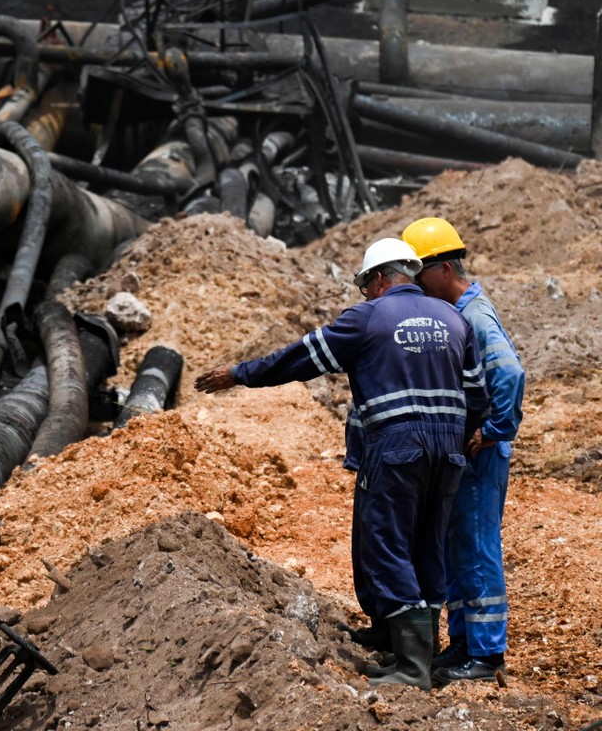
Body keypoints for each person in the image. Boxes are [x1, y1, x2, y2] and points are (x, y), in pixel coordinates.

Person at [195, 237, 487, 690]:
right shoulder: (454, 319)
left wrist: (239, 374)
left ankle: (411, 668)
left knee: (386, 544)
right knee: (428, 545)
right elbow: (477, 394)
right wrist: (461, 437)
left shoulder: (368, 318)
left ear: (379, 278)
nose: (366, 294)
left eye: (366, 285)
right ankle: (421, 657)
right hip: (450, 446)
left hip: (397, 445)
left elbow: (300, 359)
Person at [402, 216, 525, 685]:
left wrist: (495, 429)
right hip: (466, 451)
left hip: (481, 452)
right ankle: (463, 643)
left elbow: (510, 374)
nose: (414, 285)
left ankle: (488, 654)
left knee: (475, 545)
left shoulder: (475, 315)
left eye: (418, 274)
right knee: (456, 546)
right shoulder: (458, 312)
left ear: (444, 269)